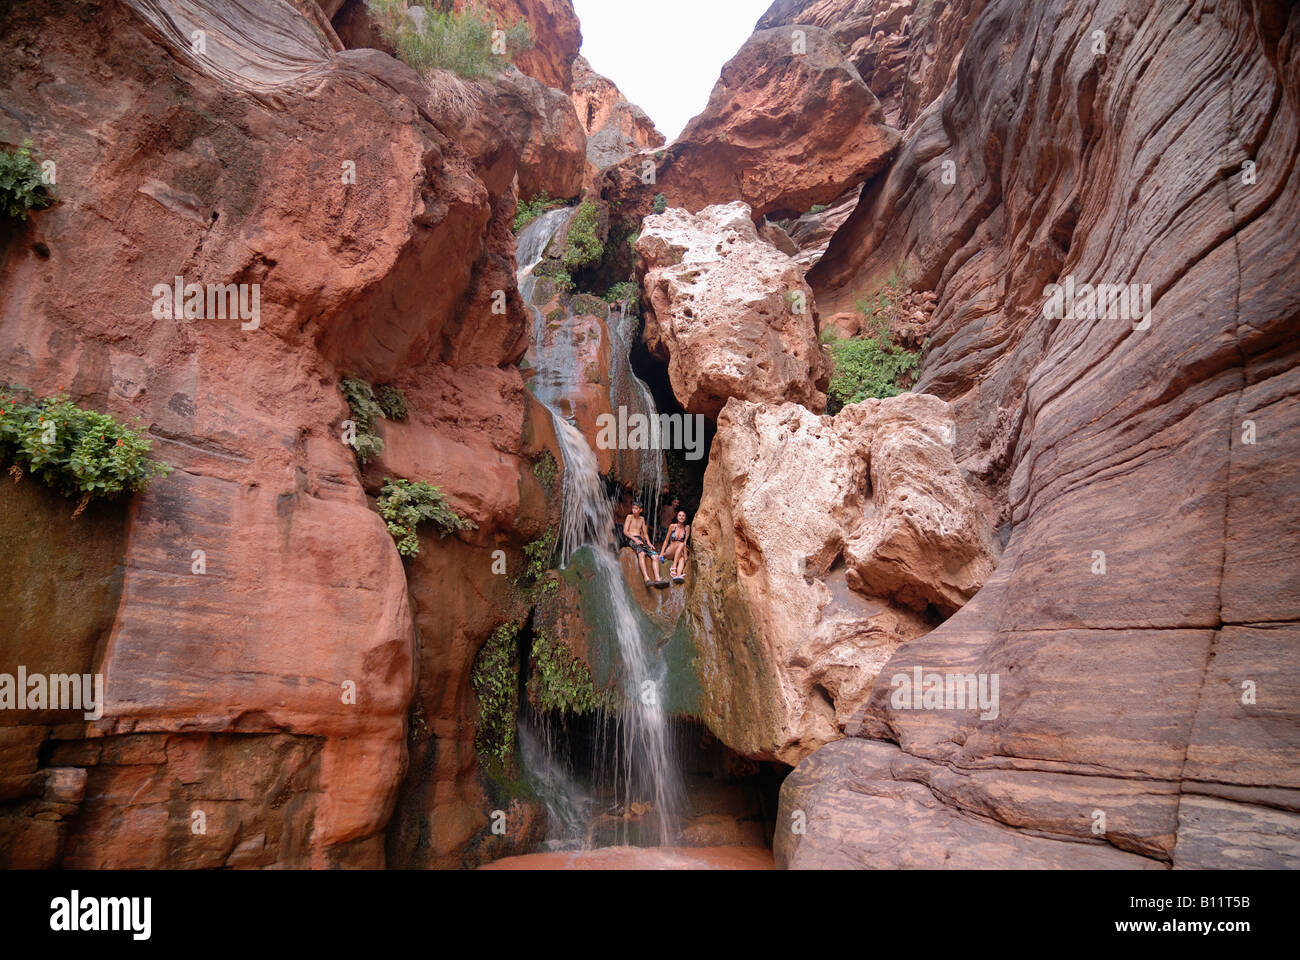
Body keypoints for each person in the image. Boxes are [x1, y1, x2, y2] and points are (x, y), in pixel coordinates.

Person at [622, 503, 664, 586]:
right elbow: (625, 531)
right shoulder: (629, 517)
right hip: (631, 538)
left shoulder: (642, 519)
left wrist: (649, 543)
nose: (633, 510)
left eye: (636, 508)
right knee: (641, 553)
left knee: (655, 556)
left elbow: (645, 533)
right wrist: (635, 539)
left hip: (640, 540)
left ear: (640, 510)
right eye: (633, 508)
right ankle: (646, 578)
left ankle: (657, 579)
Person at [658, 510, 691, 583]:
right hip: (670, 551)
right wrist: (661, 553)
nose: (681, 517)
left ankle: (678, 575)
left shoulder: (687, 527)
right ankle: (674, 567)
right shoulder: (672, 526)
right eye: (679, 515)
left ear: (685, 518)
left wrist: (685, 557)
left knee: (682, 559)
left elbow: (685, 542)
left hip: (679, 552)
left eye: (683, 516)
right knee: (681, 544)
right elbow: (666, 540)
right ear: (677, 517)